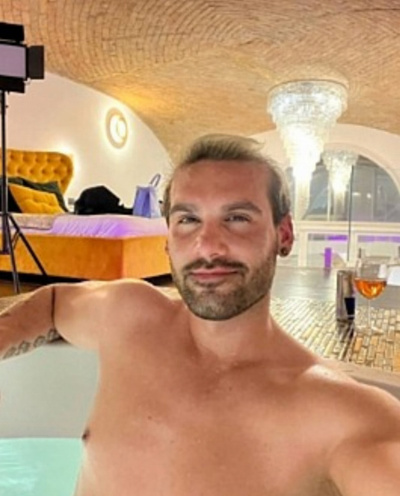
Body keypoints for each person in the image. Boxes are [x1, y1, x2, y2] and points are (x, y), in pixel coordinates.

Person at [1, 134, 400, 496]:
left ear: (284, 235)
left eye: (237, 218)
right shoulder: (128, 317)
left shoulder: (343, 415)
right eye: (188, 219)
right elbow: (54, 302)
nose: (207, 245)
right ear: (168, 239)